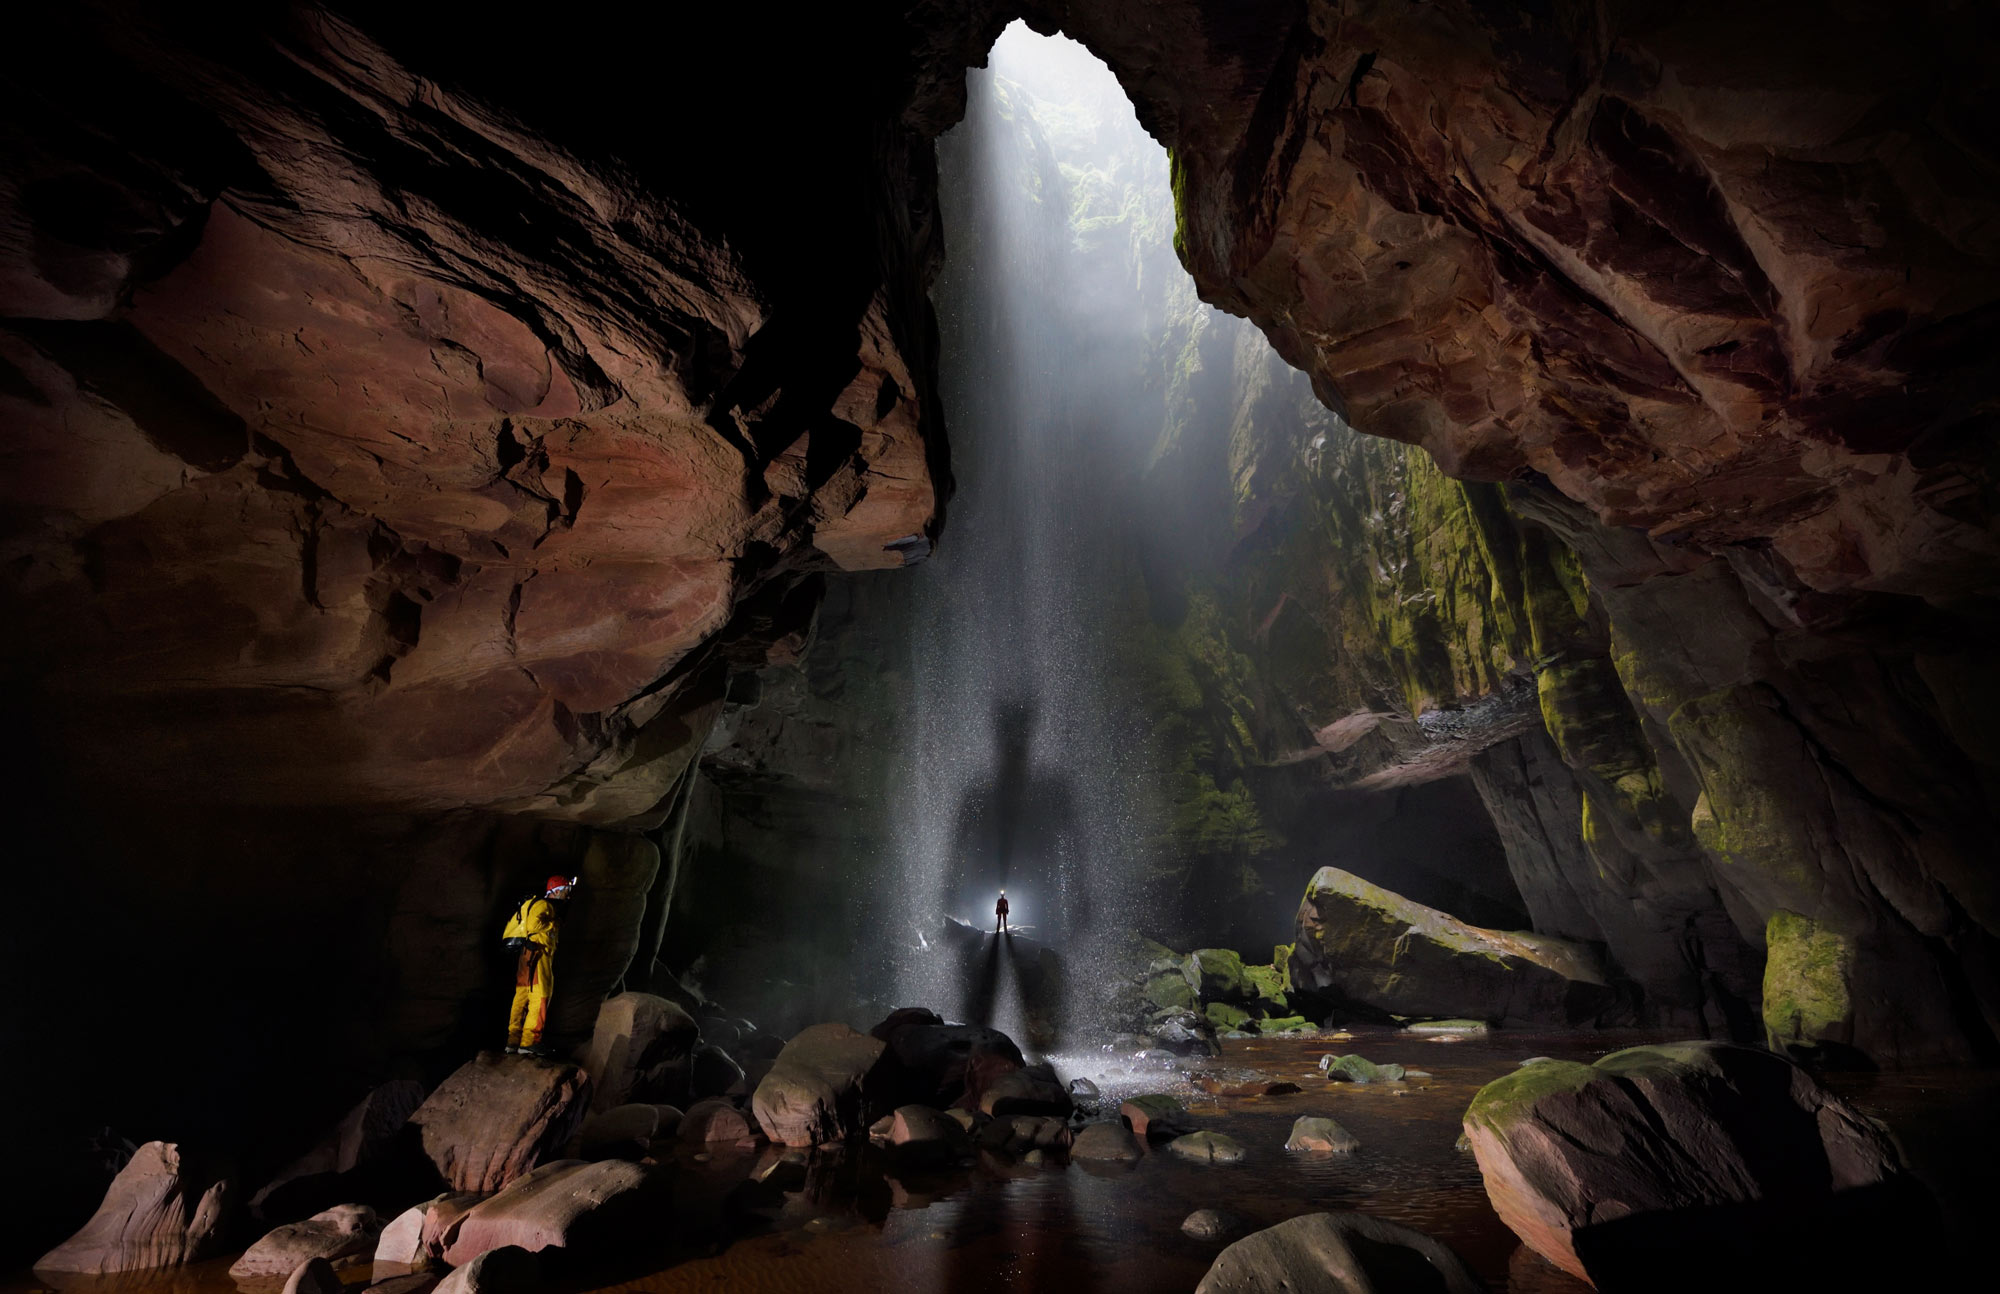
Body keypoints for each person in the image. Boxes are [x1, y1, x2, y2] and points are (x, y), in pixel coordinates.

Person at [502, 875, 574, 1056]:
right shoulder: (545, 905)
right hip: (538, 957)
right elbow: (534, 925)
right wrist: (554, 924)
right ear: (556, 891)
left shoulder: (541, 905)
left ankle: (513, 1041)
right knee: (540, 998)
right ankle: (529, 1042)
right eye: (566, 890)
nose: (568, 894)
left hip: (528, 956)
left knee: (522, 997)